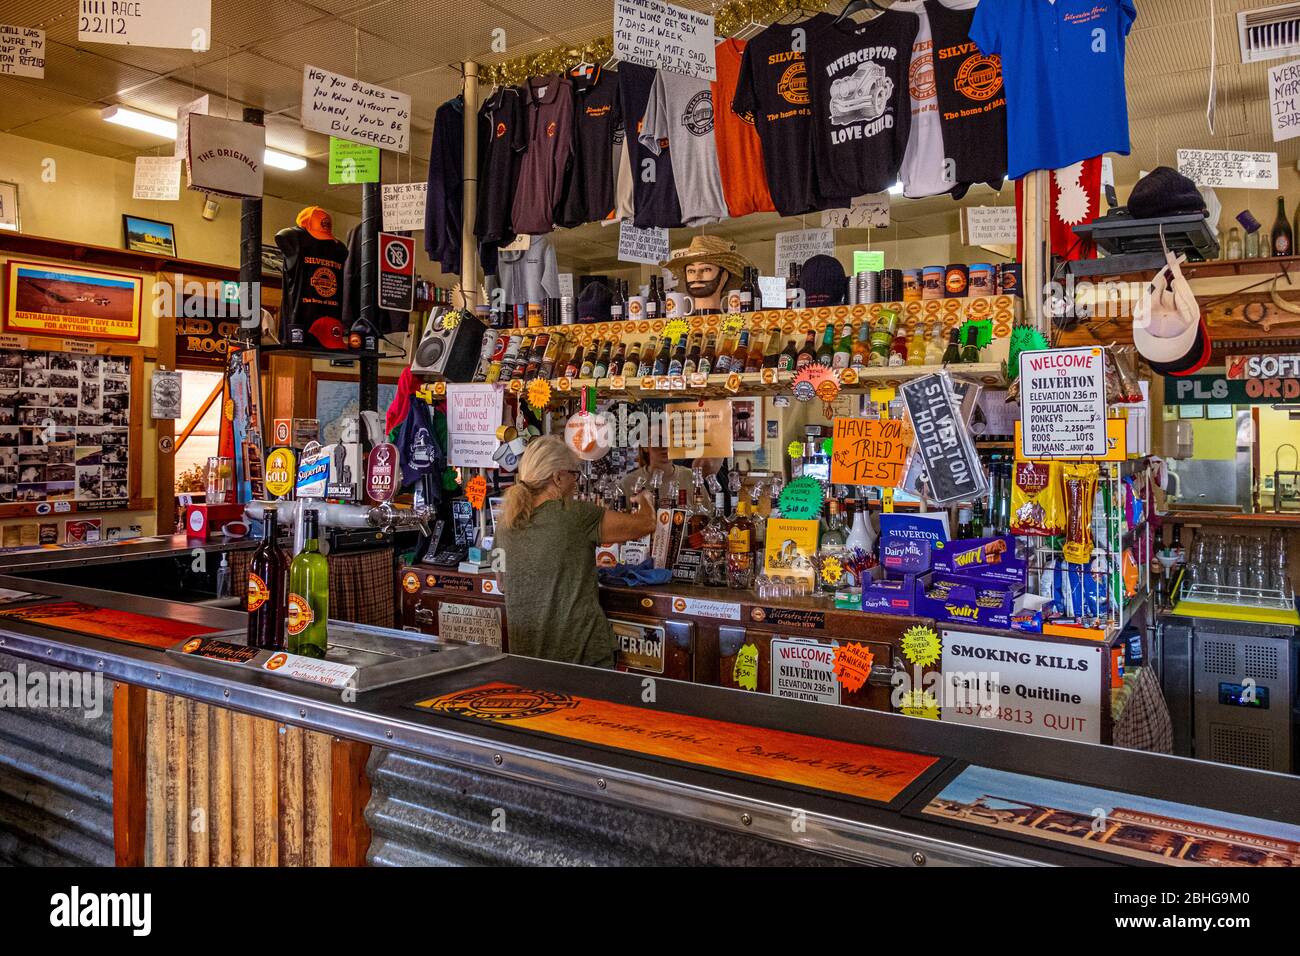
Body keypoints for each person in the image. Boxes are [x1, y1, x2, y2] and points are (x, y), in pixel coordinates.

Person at [498, 436, 656, 667]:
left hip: (528, 660)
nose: (576, 482)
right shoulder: (577, 515)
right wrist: (646, 500)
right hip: (582, 656)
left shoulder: (505, 523)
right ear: (557, 477)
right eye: (574, 474)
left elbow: (501, 582)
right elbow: (645, 525)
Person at [620, 445, 695, 504]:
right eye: (657, 440)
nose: (665, 446)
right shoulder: (627, 484)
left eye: (669, 440)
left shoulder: (691, 477)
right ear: (645, 447)